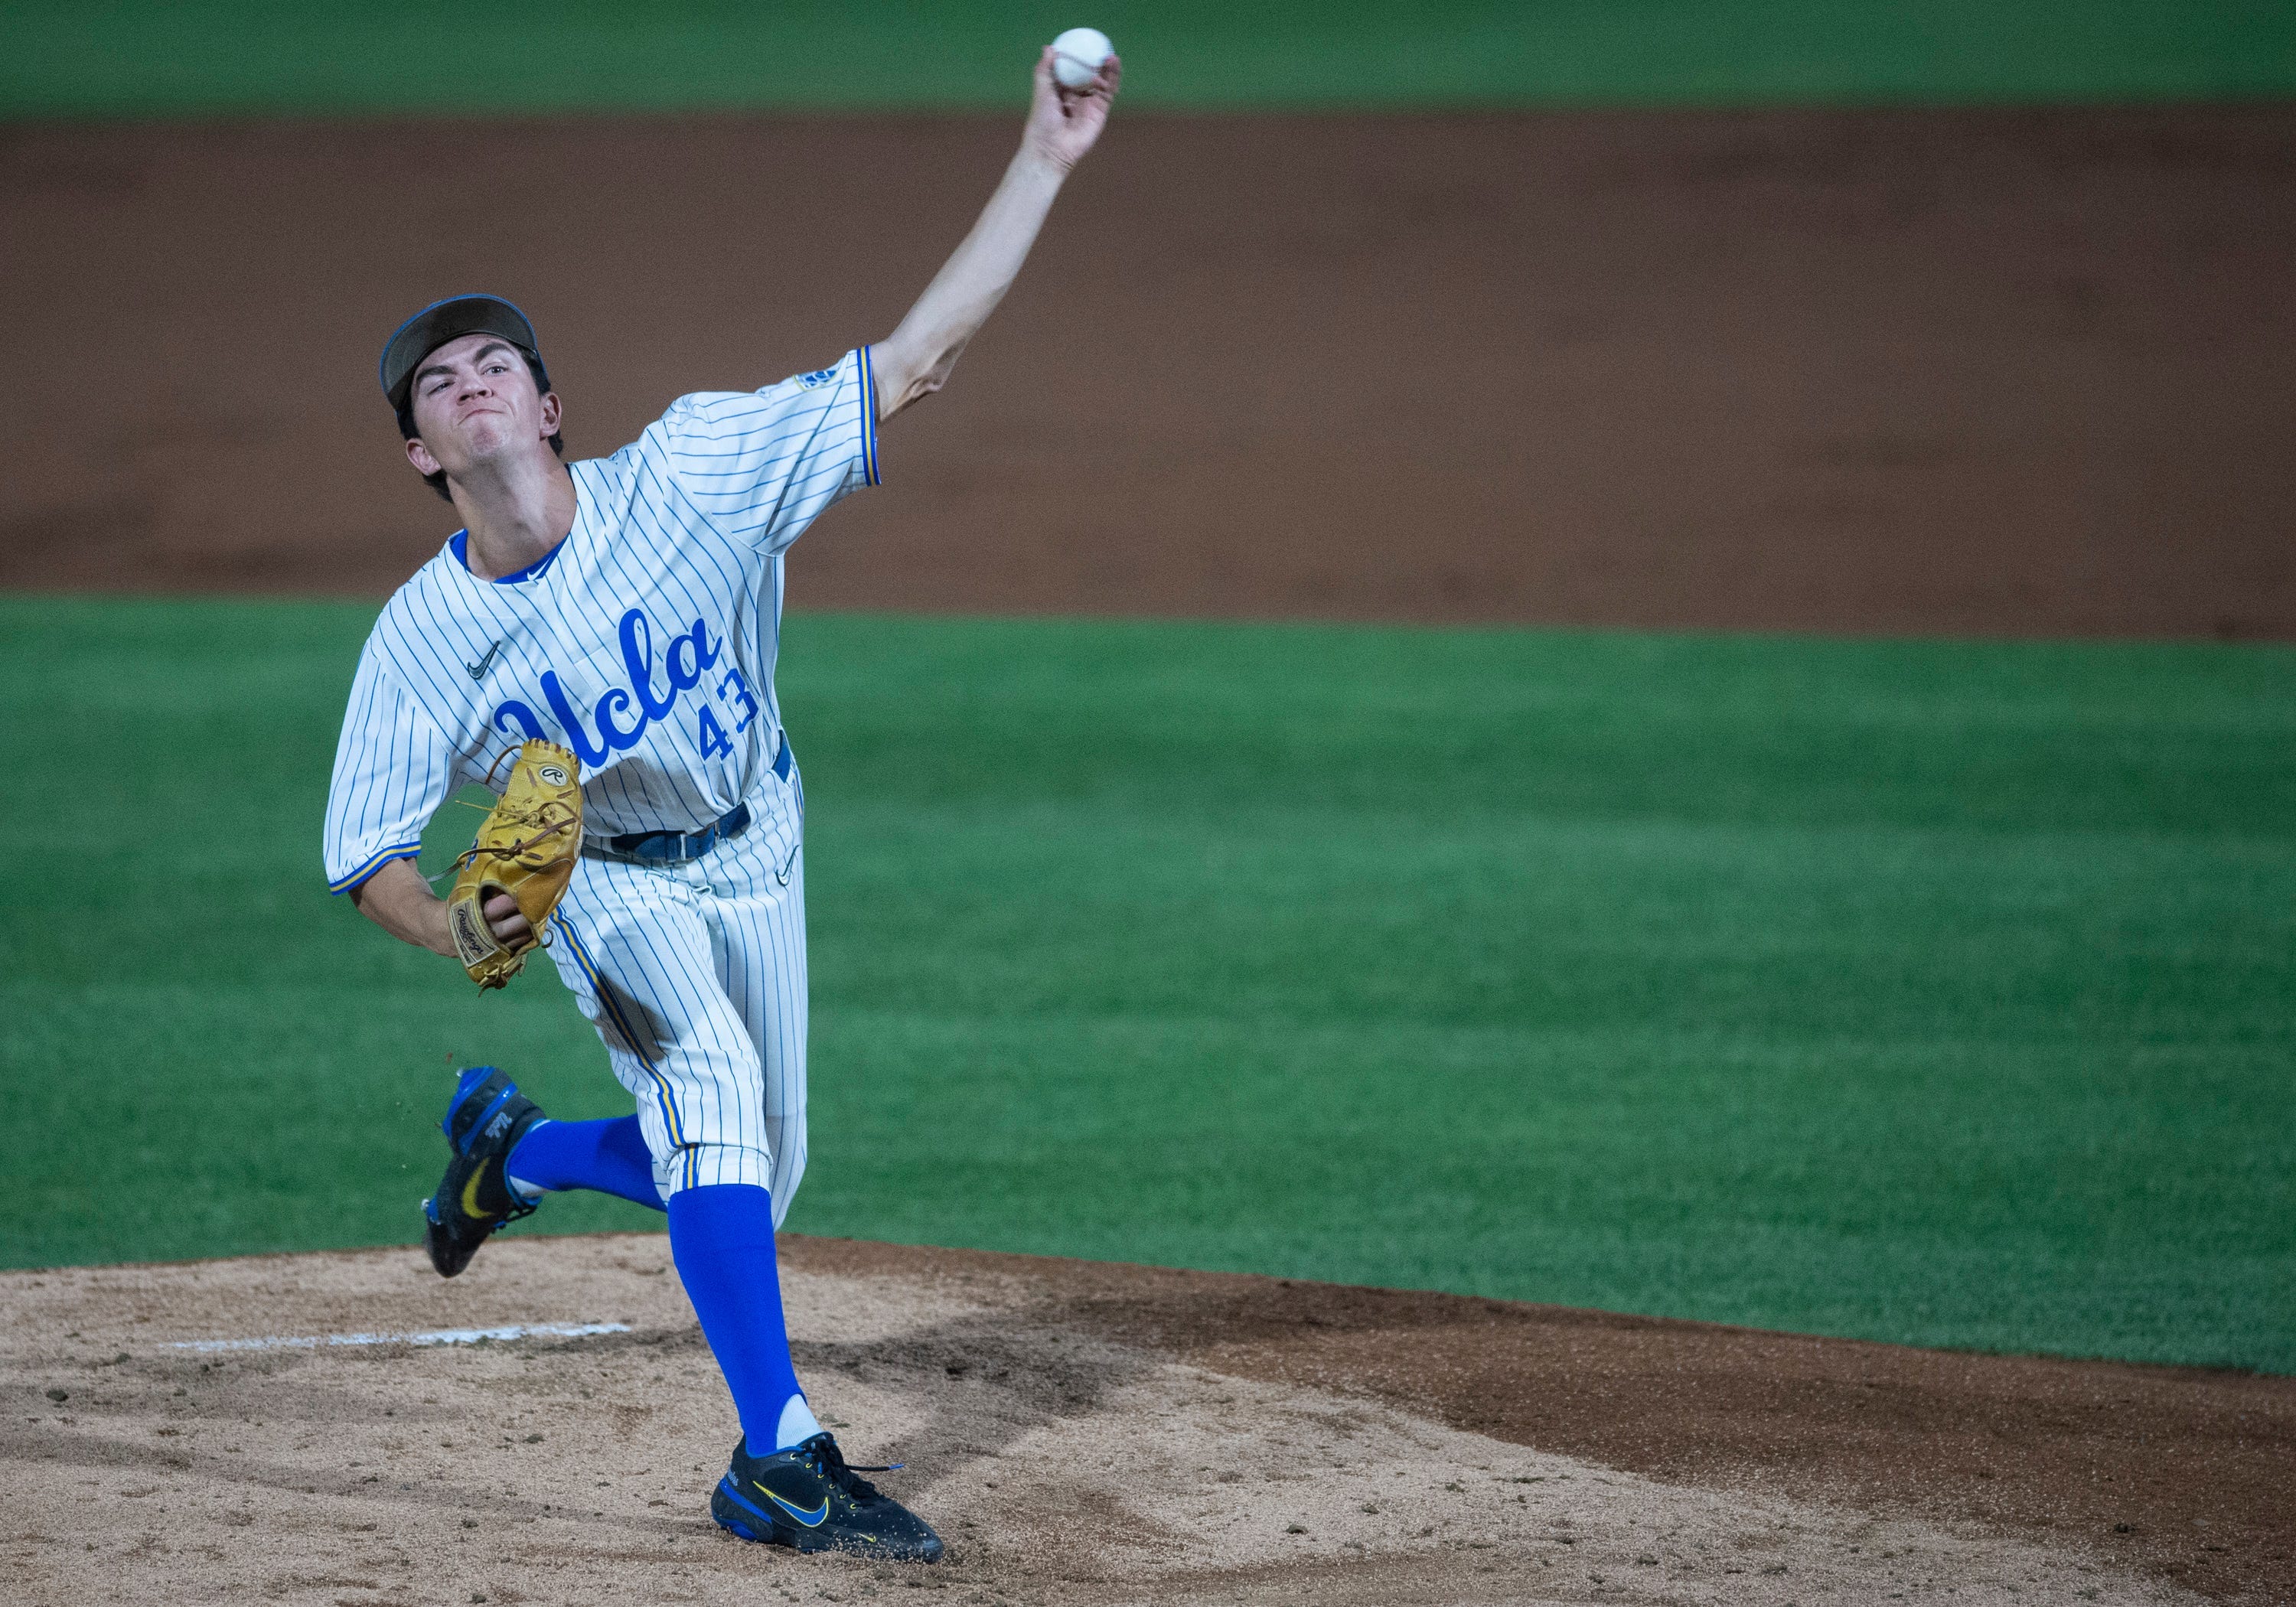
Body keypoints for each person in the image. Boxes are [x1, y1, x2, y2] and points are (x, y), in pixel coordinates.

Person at [320, 48, 1119, 1563]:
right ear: (426, 453)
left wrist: (1045, 161)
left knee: (757, 1166)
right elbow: (367, 854)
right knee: (709, 1109)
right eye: (438, 381)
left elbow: (918, 359)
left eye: (496, 361)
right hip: (608, 883)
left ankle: (514, 1152)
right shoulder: (420, 641)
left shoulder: (696, 472)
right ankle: (783, 1459)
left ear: (550, 406)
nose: (471, 378)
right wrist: (457, 926)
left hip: (761, 844)